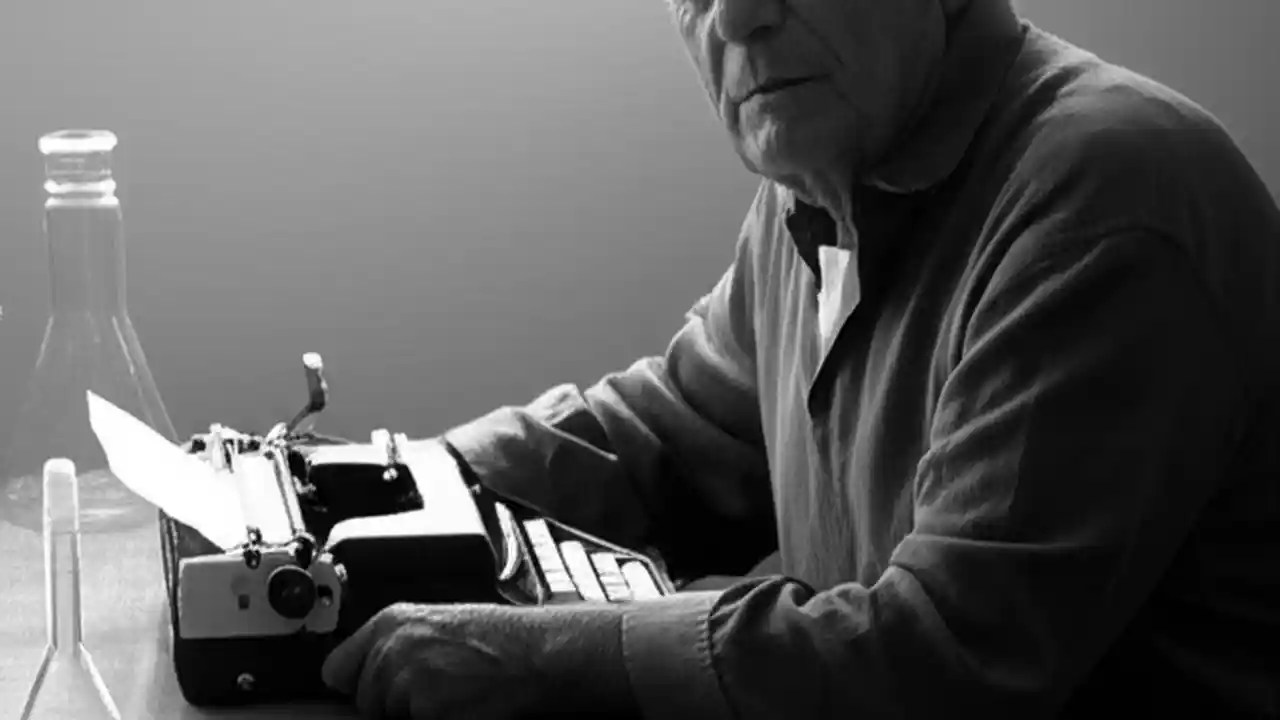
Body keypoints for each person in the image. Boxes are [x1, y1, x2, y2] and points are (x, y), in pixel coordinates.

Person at [320, 0, 1280, 717]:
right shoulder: (826, 190)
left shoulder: (1105, 196)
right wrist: (379, 483)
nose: (736, 16)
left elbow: (944, 658)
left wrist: (544, 657)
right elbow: (668, 434)